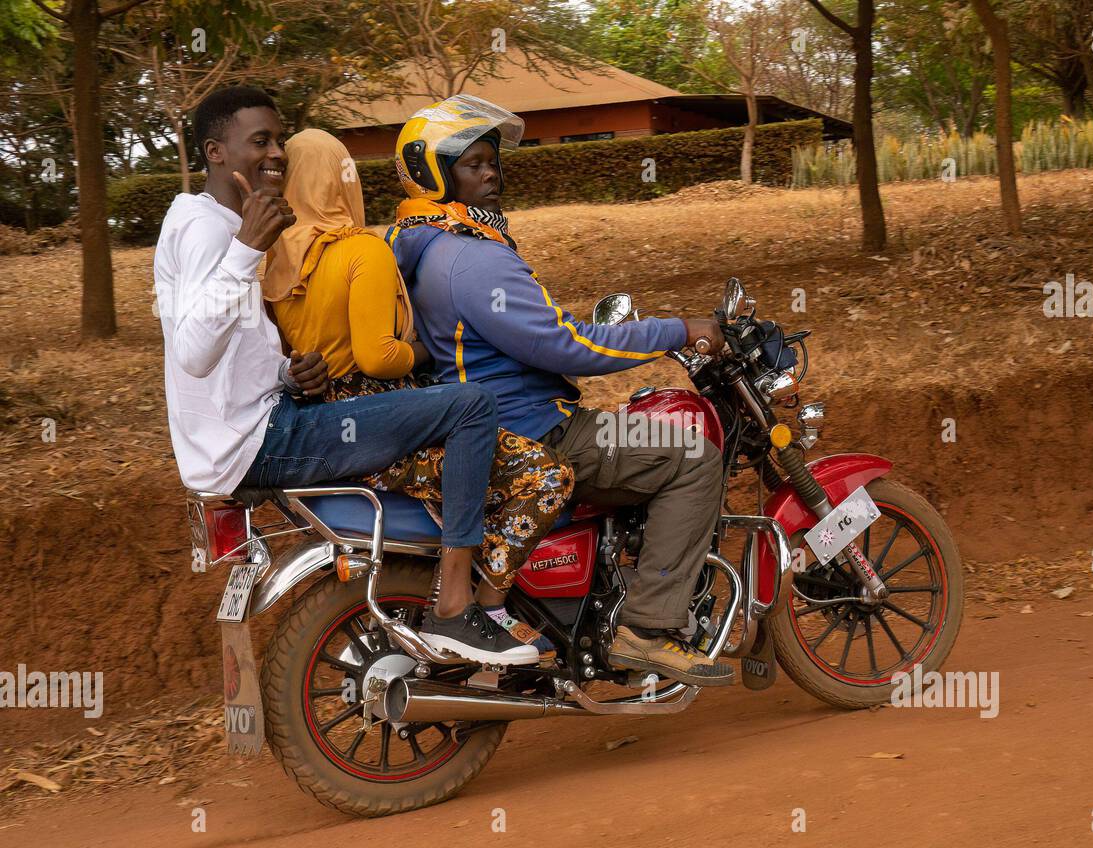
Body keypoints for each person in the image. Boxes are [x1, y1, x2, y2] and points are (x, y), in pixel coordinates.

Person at [154, 86, 541, 666]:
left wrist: (286, 371)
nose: (277, 155)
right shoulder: (219, 233)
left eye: (280, 141)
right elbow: (192, 353)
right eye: (259, 141)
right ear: (215, 152)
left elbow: (219, 348)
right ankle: (458, 608)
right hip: (262, 441)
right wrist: (245, 249)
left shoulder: (195, 220)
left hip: (255, 424)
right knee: (471, 406)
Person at [386, 95, 734, 687]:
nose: (491, 172)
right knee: (694, 457)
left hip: (485, 419)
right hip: (534, 426)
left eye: (493, 161)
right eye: (473, 163)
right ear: (433, 174)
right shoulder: (471, 260)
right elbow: (568, 346)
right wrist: (678, 329)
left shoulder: (420, 245)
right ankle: (648, 630)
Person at [262, 127, 572, 657]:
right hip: (382, 413)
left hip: (322, 418)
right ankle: (475, 606)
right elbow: (377, 357)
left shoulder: (273, 262)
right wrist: (425, 353)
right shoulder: (362, 250)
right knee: (548, 475)